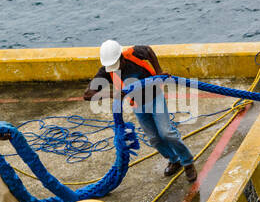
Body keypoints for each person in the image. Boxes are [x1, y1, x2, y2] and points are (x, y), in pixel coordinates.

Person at [83, 40, 197, 181]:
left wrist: (158, 72)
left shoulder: (134, 54)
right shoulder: (106, 71)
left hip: (155, 97)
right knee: (154, 139)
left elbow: (149, 51)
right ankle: (174, 160)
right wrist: (113, 94)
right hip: (137, 104)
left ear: (121, 57)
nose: (114, 69)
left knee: (167, 133)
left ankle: (187, 162)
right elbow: (87, 95)